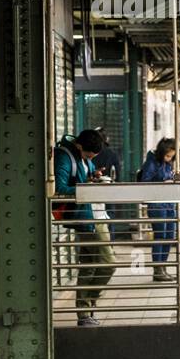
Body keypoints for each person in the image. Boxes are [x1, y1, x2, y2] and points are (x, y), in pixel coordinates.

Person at [54, 129, 115, 326]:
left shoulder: (81, 156)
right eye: (89, 155)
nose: (91, 158)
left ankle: (85, 311)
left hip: (97, 214)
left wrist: (94, 175)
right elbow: (59, 189)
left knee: (88, 265)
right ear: (80, 146)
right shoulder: (64, 157)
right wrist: (87, 187)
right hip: (85, 217)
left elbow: (85, 175)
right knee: (108, 263)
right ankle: (87, 304)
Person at [138, 138, 178, 282]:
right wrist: (162, 182)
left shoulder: (167, 164)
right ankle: (158, 269)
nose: (169, 159)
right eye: (167, 156)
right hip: (156, 203)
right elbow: (144, 182)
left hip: (169, 203)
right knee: (160, 236)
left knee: (169, 236)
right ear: (161, 152)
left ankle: (163, 267)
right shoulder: (151, 162)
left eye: (171, 157)